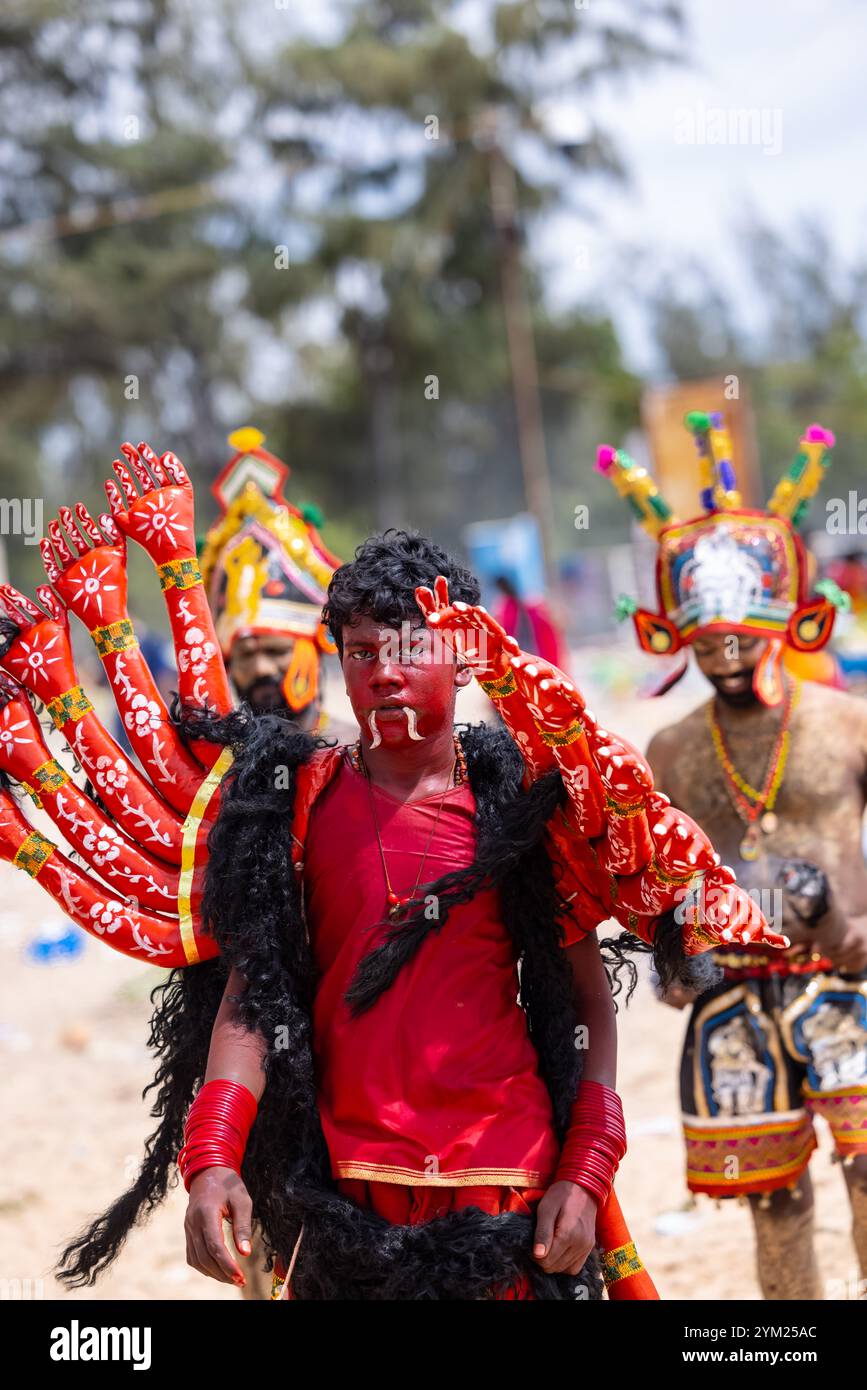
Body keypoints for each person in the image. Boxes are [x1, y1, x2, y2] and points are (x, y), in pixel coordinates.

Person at [0, 440, 779, 1299]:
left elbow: (585, 1002)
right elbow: (251, 1003)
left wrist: (586, 1169)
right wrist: (213, 1158)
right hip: (346, 1205)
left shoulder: (524, 804)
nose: (385, 673)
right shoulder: (293, 807)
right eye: (363, 651)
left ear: (463, 654)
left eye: (411, 647)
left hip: (506, 1198)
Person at [600, 410, 867, 1300]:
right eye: (704, 641)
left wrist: (856, 928)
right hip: (737, 1001)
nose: (721, 655)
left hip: (850, 985)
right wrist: (674, 959)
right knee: (774, 1200)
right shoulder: (671, 750)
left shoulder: (843, 722)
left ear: (786, 620)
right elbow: (647, 877)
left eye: (738, 638)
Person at [199, 427, 343, 729]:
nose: (261, 668)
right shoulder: (213, 768)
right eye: (245, 655)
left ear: (319, 646)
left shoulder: (366, 756)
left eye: (277, 651)